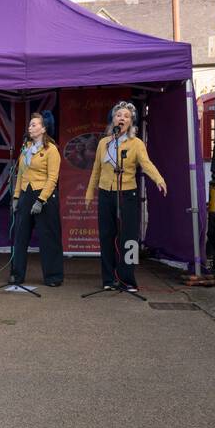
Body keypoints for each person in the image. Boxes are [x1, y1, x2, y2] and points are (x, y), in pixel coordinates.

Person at [84, 101, 168, 293]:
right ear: (112, 119)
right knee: (106, 237)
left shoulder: (136, 143)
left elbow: (146, 164)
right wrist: (90, 193)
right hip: (106, 193)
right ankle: (108, 279)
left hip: (127, 194)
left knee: (129, 238)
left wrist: (158, 179)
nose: (121, 118)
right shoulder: (103, 143)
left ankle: (128, 279)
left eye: (126, 116)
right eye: (118, 115)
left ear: (131, 122)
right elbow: (96, 170)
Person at [8, 112, 63, 288]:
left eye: (34, 124)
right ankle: (17, 274)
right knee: (20, 236)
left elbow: (53, 178)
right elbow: (21, 174)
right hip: (26, 193)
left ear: (44, 128)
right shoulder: (26, 148)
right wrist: (17, 196)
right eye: (30, 125)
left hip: (44, 195)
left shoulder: (51, 150)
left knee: (48, 237)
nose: (30, 127)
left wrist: (41, 200)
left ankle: (53, 275)